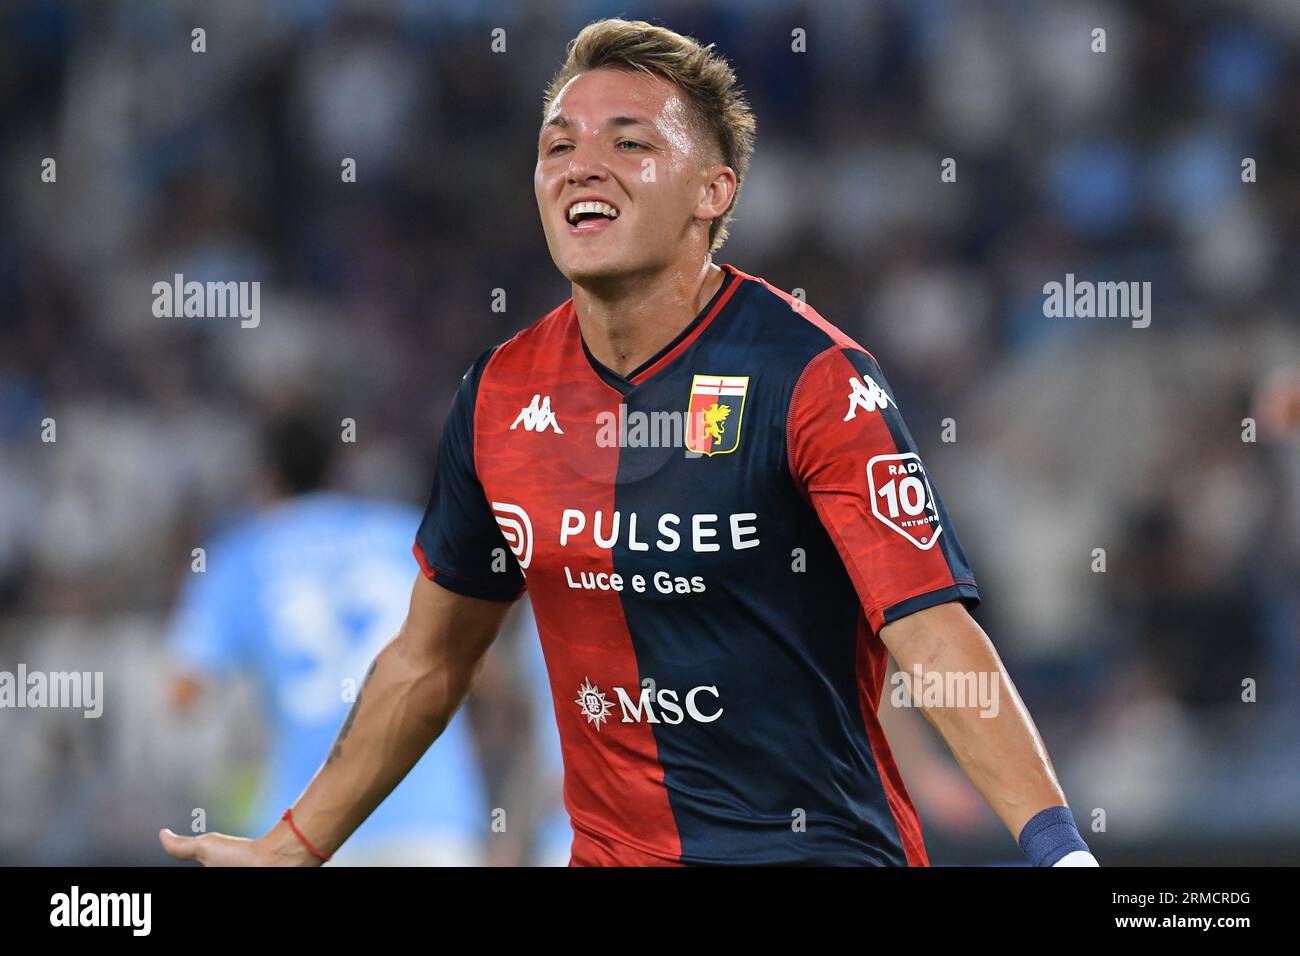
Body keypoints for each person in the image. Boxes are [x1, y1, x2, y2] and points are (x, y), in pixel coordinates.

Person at [161, 18, 1097, 867]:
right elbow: (431, 660)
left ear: (712, 190)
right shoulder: (497, 397)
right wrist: (293, 845)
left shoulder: (812, 378)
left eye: (630, 143)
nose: (581, 165)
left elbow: (931, 635)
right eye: (558, 145)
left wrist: (1059, 851)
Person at [163, 409, 490, 865]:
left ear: (267, 476)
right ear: (337, 464)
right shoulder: (407, 530)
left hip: (305, 828)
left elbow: (183, 692)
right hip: (432, 816)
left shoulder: (240, 558)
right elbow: (476, 657)